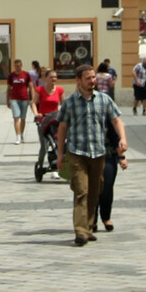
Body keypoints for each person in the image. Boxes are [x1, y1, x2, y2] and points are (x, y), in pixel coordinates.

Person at [55, 64, 126, 246]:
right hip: (77, 153)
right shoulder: (70, 102)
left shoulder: (104, 99)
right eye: (88, 78)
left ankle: (87, 227)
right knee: (81, 191)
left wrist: (122, 139)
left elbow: (117, 120)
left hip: (99, 153)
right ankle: (80, 231)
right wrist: (60, 154)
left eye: (93, 77)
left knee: (95, 192)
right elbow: (62, 128)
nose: (92, 81)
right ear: (78, 80)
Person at [5, 59, 36, 144]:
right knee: (16, 117)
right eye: (15, 66)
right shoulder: (11, 76)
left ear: (21, 65)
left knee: (23, 118)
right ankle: (17, 136)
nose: (17, 67)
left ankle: (21, 134)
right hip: (14, 99)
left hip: (24, 99)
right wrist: (7, 100)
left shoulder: (26, 75)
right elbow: (8, 89)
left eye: (18, 66)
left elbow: (31, 87)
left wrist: (33, 98)